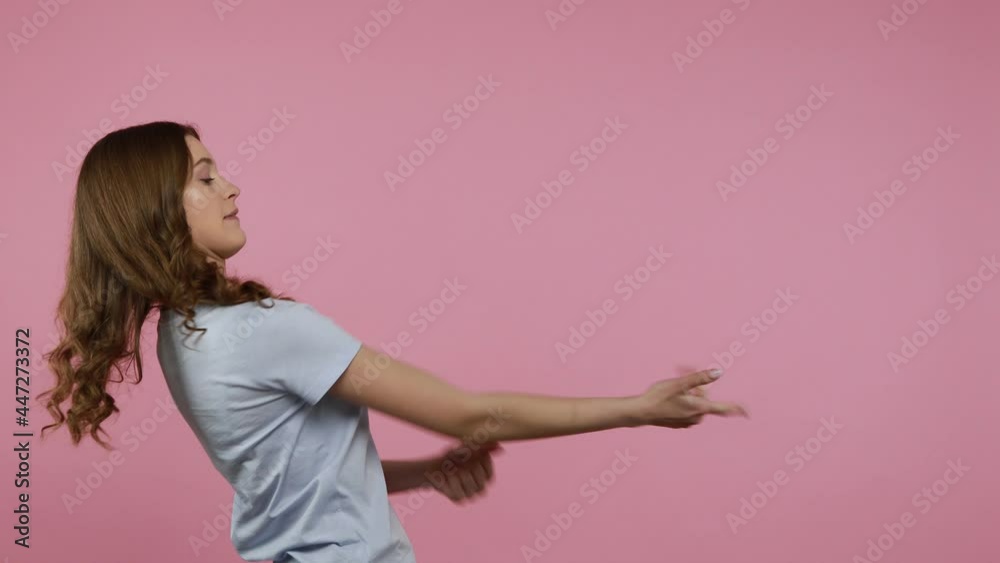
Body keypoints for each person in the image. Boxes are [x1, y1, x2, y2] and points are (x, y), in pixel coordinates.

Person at [40, 121, 750, 563]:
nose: (232, 185)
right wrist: (638, 408)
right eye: (205, 176)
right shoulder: (267, 331)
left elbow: (295, 484)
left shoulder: (180, 339)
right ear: (158, 208)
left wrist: (425, 473)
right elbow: (474, 414)